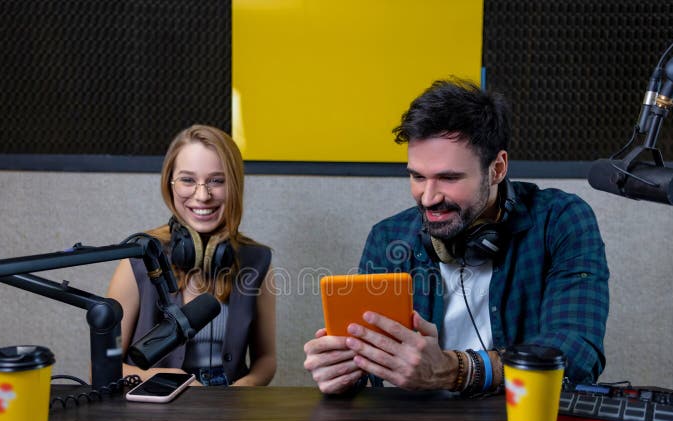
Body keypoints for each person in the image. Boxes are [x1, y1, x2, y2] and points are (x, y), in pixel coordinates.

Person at [304, 79, 609, 395]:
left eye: (449, 178)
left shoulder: (561, 221)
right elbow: (374, 373)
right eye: (417, 176)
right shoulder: (388, 237)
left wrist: (454, 370)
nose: (428, 198)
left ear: (497, 169)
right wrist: (345, 373)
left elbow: (575, 352)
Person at [107, 125, 276, 386]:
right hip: (155, 409)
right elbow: (102, 369)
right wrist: (168, 380)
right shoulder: (138, 259)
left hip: (231, 408)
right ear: (170, 184)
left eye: (217, 181)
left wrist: (241, 390)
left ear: (234, 186)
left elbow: (266, 360)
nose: (202, 195)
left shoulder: (257, 260)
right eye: (187, 180)